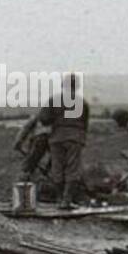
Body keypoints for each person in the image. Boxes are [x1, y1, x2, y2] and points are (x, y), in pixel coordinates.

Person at [42, 74, 89, 209]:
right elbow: (85, 123)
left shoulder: (54, 100)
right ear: (77, 86)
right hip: (75, 137)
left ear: (64, 85)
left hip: (57, 137)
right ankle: (67, 200)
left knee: (57, 168)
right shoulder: (82, 102)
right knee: (72, 168)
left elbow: (44, 119)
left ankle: (59, 198)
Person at [13, 111, 51, 179]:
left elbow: (26, 128)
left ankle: (26, 174)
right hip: (46, 139)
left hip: (41, 138)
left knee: (31, 160)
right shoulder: (59, 116)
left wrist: (18, 141)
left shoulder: (38, 115)